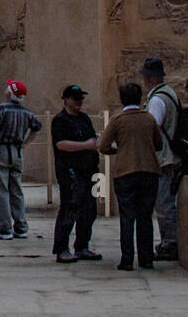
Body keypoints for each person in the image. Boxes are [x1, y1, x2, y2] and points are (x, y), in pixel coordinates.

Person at [98, 82, 162, 271]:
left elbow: (103, 146)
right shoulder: (149, 119)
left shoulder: (118, 120)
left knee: (127, 217)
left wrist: (117, 150)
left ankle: (127, 259)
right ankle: (146, 258)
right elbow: (158, 144)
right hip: (149, 170)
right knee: (146, 217)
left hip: (125, 171)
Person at [0, 78, 42, 240]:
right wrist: (25, 143)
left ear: (10, 92)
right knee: (16, 189)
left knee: (0, 190)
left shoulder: (1, 109)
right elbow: (36, 128)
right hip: (17, 152)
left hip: (1, 150)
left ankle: (5, 228)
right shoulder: (26, 112)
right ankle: (21, 226)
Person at [50, 85, 102, 264]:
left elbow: (93, 140)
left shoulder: (84, 119)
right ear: (66, 100)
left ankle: (82, 245)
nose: (79, 102)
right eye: (75, 99)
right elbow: (61, 144)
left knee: (90, 209)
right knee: (69, 208)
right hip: (70, 172)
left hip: (89, 170)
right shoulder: (60, 121)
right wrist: (85, 145)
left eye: (80, 99)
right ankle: (62, 248)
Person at [141, 57, 181, 260]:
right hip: (170, 154)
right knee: (166, 201)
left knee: (163, 203)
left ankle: (170, 243)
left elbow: (152, 126)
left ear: (148, 78)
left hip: (163, 156)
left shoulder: (157, 99)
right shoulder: (170, 93)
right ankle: (170, 240)